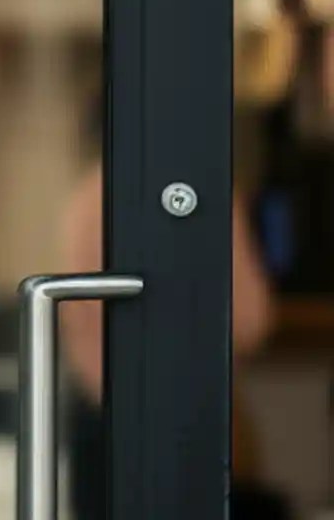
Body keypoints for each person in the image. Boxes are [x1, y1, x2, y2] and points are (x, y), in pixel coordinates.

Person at [59, 160, 285, 519]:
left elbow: (74, 315)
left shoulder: (89, 195)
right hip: (184, 424)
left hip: (99, 420)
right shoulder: (205, 191)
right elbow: (251, 319)